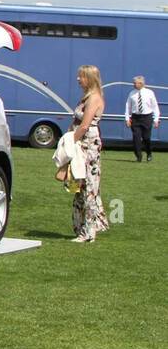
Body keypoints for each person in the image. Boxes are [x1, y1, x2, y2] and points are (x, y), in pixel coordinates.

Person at [70, 64, 110, 244]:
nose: (78, 79)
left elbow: (85, 125)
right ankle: (81, 227)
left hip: (88, 145)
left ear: (90, 78)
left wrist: (71, 142)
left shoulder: (94, 98)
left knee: (89, 187)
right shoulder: (86, 97)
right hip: (81, 143)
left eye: (81, 76)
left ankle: (89, 231)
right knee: (77, 185)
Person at [124, 76, 160, 162]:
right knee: (136, 137)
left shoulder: (150, 93)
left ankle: (149, 153)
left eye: (135, 83)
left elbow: (155, 106)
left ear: (141, 83)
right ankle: (138, 156)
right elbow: (128, 106)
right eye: (134, 83)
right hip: (135, 117)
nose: (134, 84)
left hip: (147, 117)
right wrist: (127, 118)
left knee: (146, 137)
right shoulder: (132, 93)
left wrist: (156, 119)